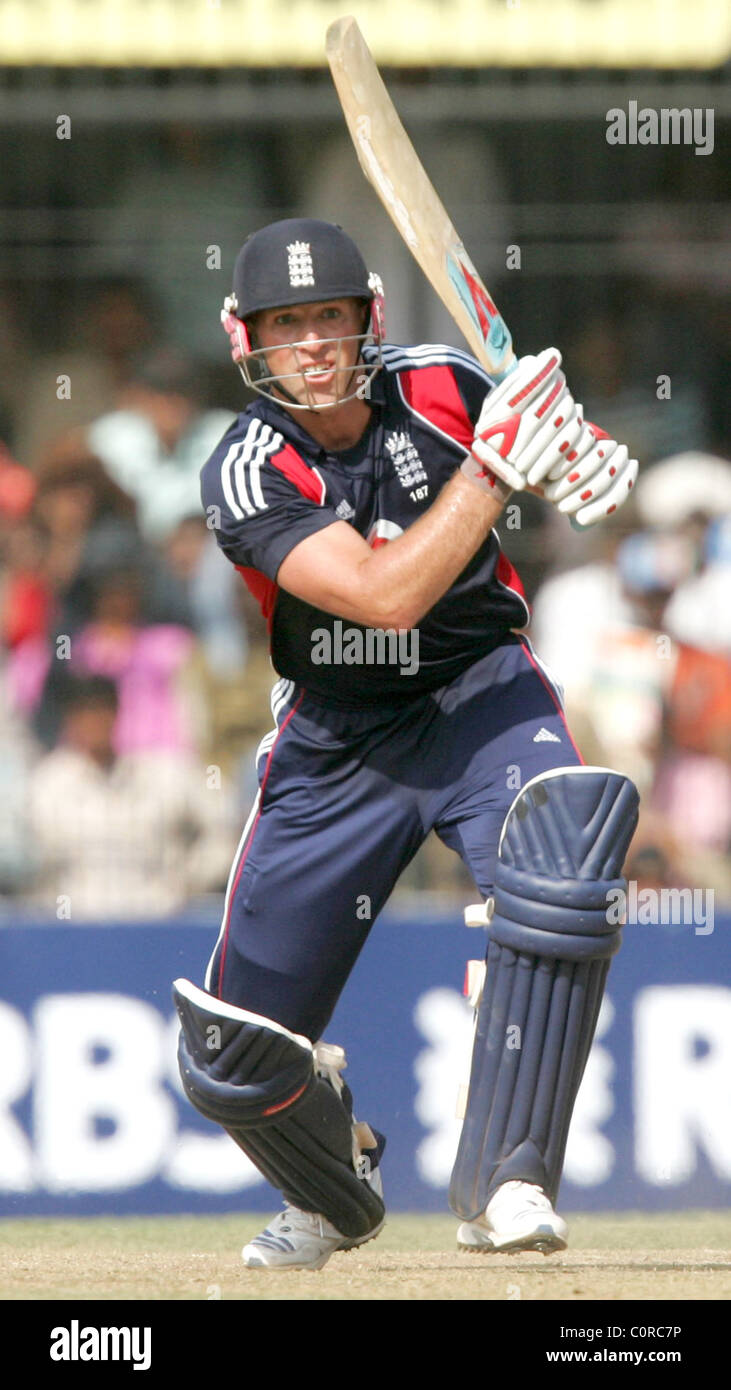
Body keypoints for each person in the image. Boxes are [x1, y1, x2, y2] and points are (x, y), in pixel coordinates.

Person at [173, 218, 640, 1271]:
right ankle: (335, 1182)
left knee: (563, 855)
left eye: (328, 318)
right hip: (340, 741)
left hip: (482, 699)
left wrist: (573, 453)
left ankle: (508, 1180)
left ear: (366, 320)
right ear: (243, 339)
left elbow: (552, 467)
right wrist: (493, 473)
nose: (311, 346)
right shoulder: (245, 469)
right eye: (284, 324)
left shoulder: (443, 385)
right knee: (229, 1058)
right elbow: (384, 599)